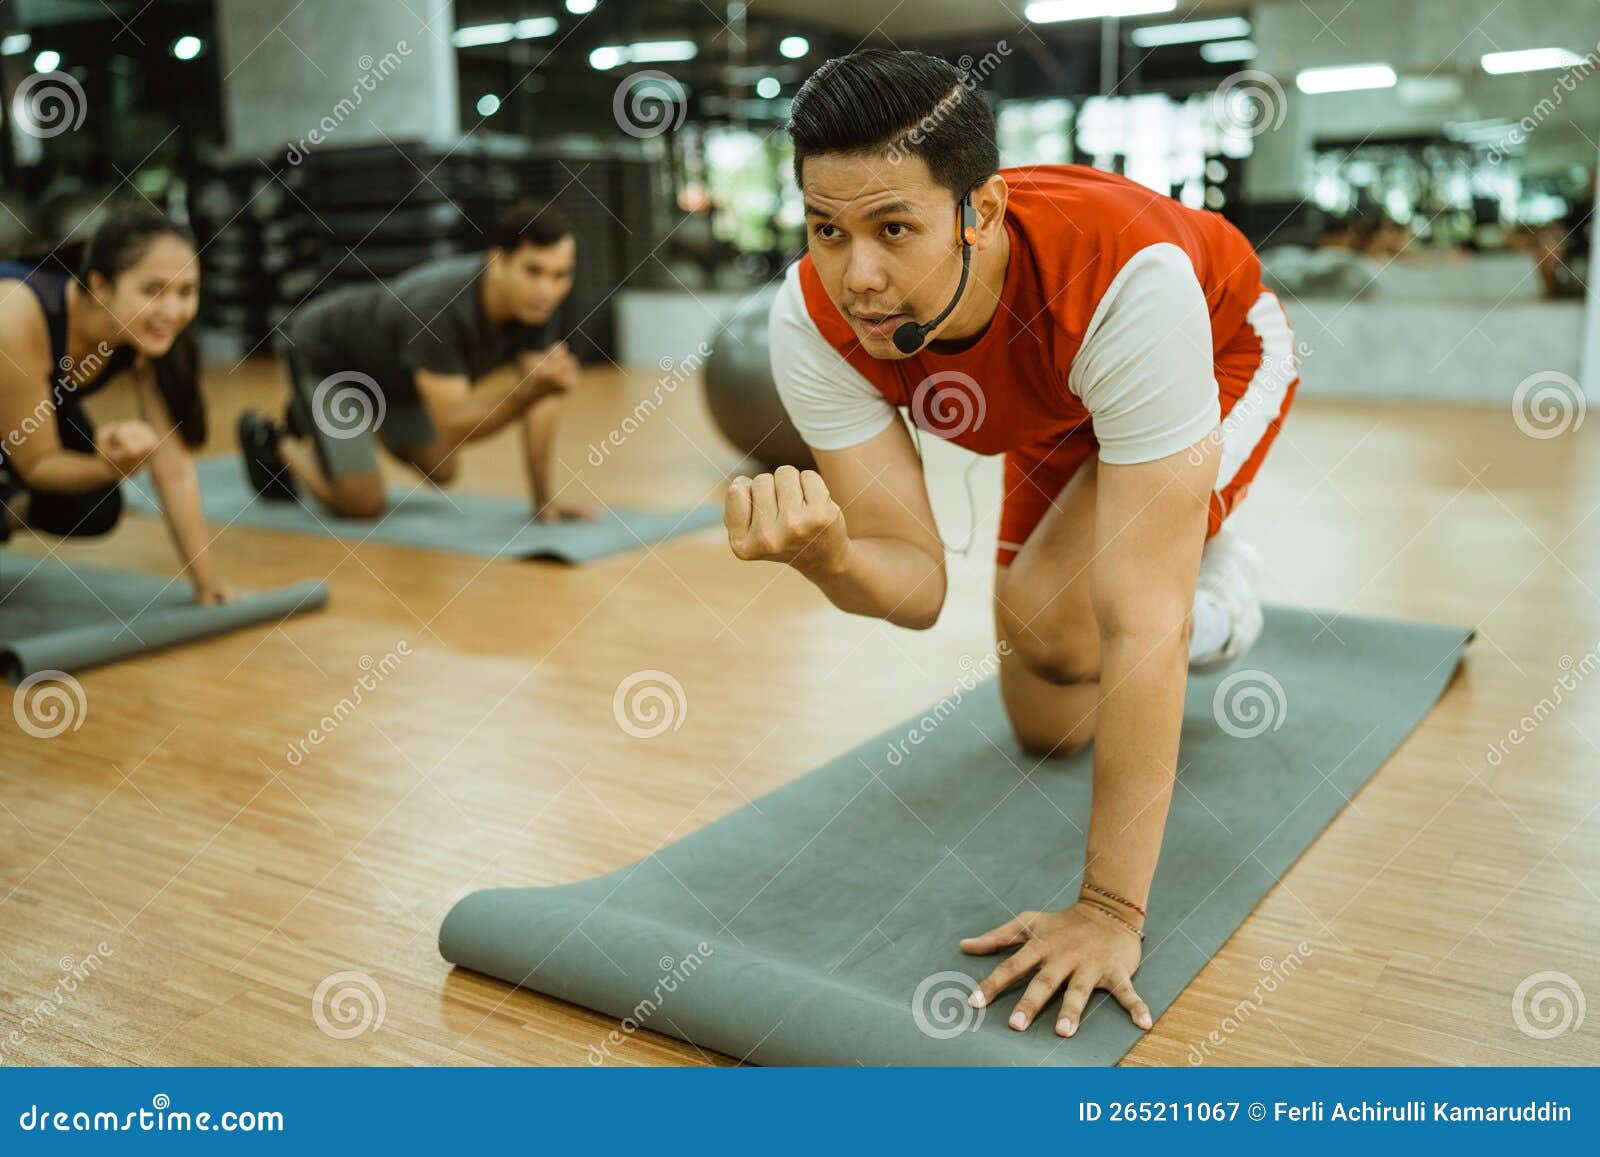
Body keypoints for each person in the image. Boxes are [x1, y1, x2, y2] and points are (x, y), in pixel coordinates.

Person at [723, 50, 1299, 1039]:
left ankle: (1220, 599)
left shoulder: (1127, 275)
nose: (858, 277)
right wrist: (829, 557)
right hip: (1064, 396)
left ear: (980, 212)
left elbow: (1139, 622)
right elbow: (914, 587)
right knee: (1049, 716)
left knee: (1092, 615)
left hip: (1208, 352)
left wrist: (1109, 910)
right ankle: (1143, 549)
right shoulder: (810, 320)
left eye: (893, 228)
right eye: (827, 229)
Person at [238, 199, 592, 521]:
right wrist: (529, 391)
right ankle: (277, 439)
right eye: (534, 271)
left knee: (443, 470)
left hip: (396, 377)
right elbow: (454, 425)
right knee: (362, 503)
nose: (547, 290)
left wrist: (543, 501)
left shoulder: (535, 307)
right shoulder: (440, 309)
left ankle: (345, 429)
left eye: (560, 275)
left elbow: (542, 399)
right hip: (328, 357)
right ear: (498, 262)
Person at [0, 205, 232, 604]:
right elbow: (35, 464)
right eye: (152, 290)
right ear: (101, 286)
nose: (172, 311)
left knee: (95, 502)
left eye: (186, 291)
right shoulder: (16, 319)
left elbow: (173, 469)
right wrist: (110, 465)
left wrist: (207, 584)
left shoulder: (145, 338)